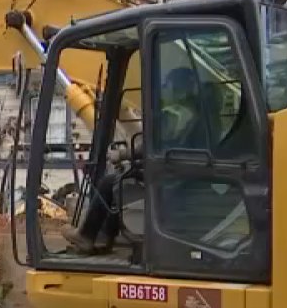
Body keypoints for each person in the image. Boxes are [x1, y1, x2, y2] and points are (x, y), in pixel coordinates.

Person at [64, 67, 199, 254]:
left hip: (169, 178)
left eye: (167, 86)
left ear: (179, 90)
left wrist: (122, 155)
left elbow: (150, 146)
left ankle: (86, 235)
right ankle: (104, 237)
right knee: (120, 182)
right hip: (181, 173)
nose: (164, 90)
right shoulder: (194, 113)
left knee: (110, 182)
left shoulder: (174, 114)